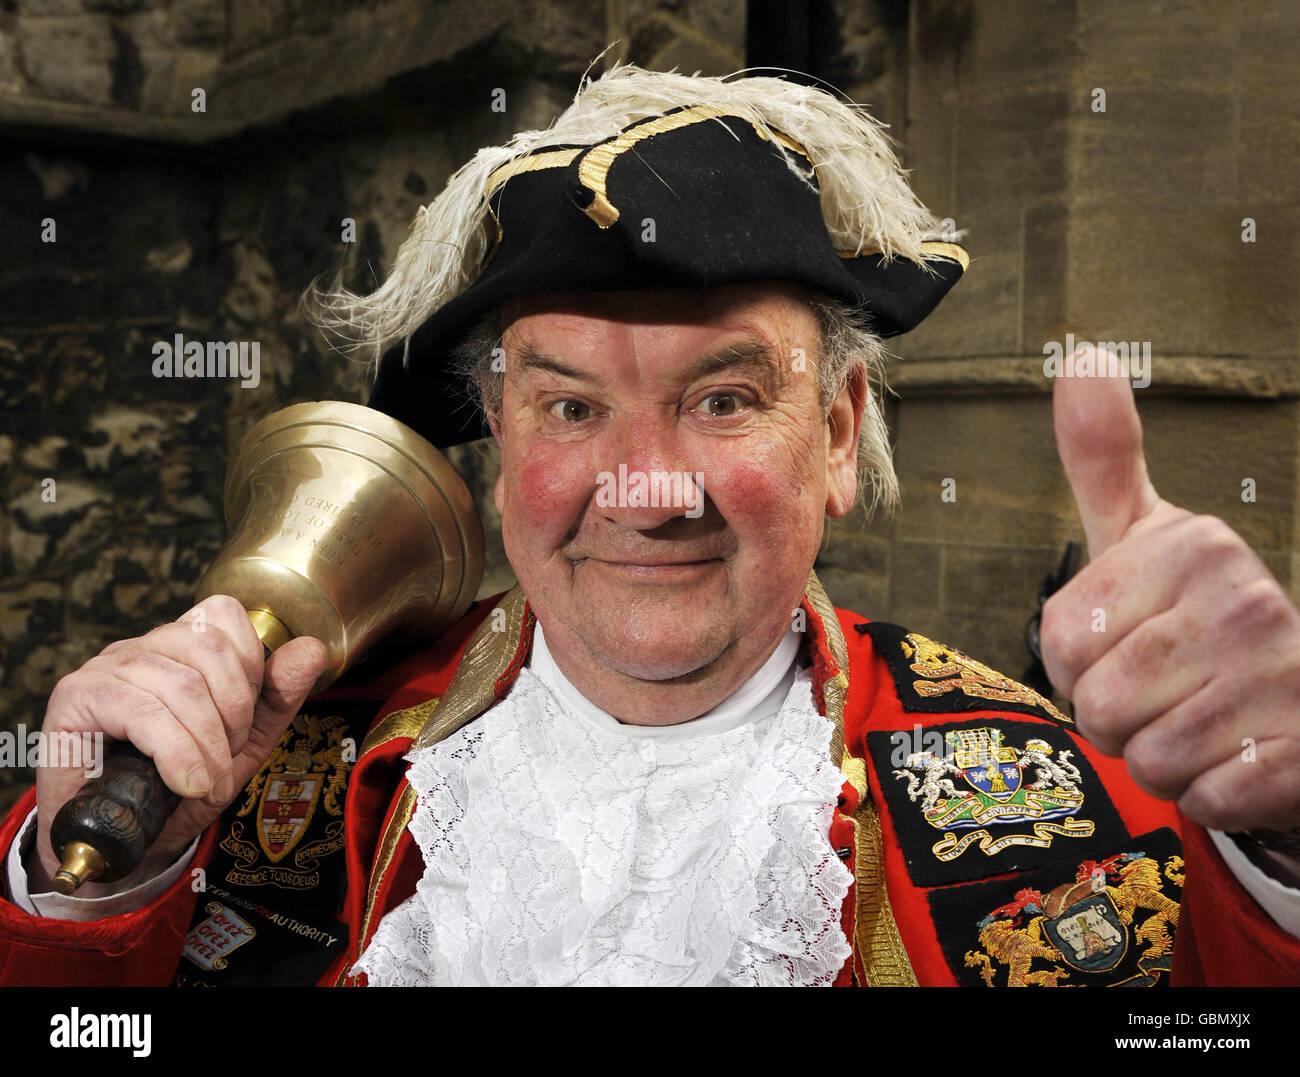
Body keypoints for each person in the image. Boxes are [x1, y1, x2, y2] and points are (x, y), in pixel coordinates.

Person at [1, 63, 1298, 987]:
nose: (643, 484)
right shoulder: (282, 774)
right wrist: (96, 889)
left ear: (840, 433)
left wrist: (1282, 829)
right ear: (500, 447)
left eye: (723, 397)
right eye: (569, 407)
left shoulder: (1061, 789)